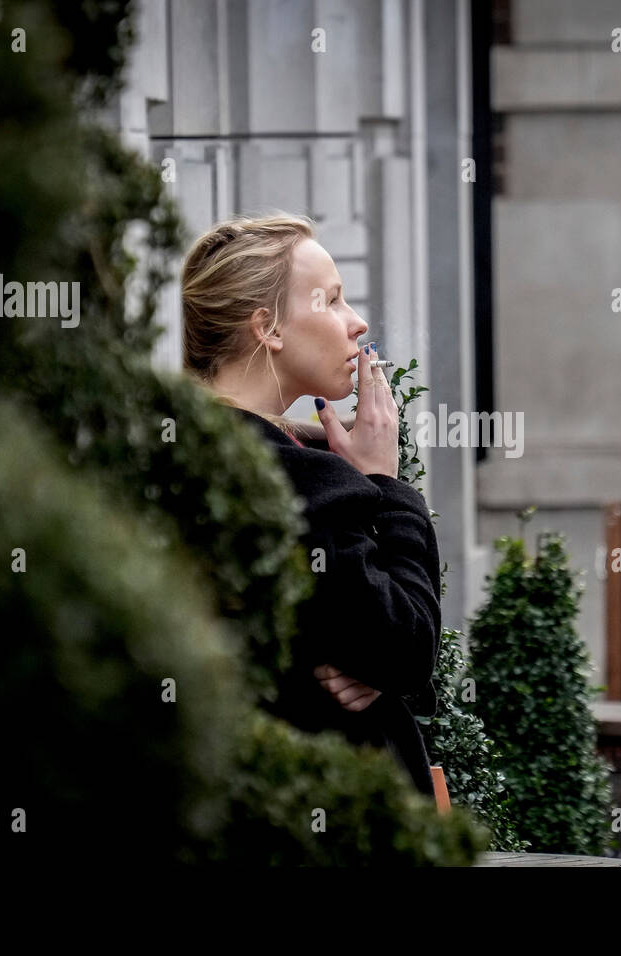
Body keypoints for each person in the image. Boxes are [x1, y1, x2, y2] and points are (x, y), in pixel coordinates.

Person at [180, 212, 440, 796]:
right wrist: (387, 484)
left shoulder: (192, 449)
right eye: (333, 301)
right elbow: (408, 646)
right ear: (266, 328)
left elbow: (374, 643)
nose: (358, 323)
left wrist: (367, 659)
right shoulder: (290, 477)